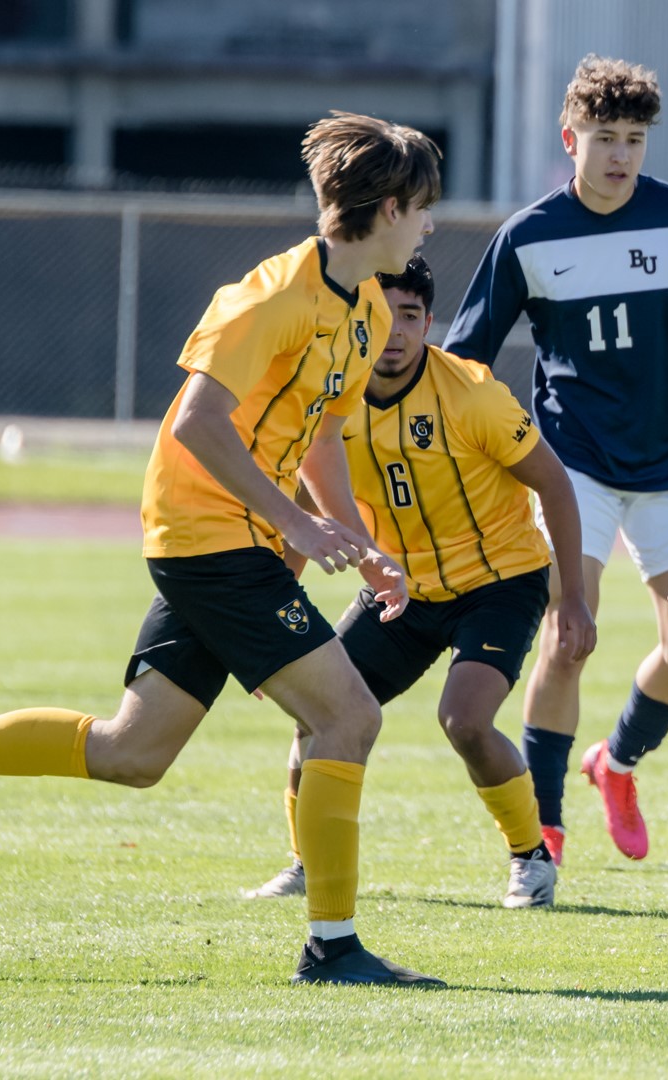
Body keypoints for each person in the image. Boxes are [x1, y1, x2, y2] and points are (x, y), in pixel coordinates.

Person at [0, 112, 450, 987]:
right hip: (206, 536)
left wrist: (360, 541)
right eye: (424, 208)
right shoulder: (271, 296)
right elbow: (198, 422)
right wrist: (300, 526)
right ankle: (333, 946)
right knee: (348, 715)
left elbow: (320, 442)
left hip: (242, 539)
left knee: (134, 753)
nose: (430, 225)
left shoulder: (370, 309)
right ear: (387, 209)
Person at [443, 55, 668, 865]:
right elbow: (463, 362)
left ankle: (614, 764)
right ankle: (545, 824)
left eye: (635, 139)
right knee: (567, 634)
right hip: (572, 466)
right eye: (604, 137)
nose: (621, 154)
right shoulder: (529, 235)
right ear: (570, 138)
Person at [243, 255, 596, 908]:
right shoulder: (330, 398)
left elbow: (553, 482)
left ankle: (531, 858)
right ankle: (306, 864)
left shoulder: (473, 394)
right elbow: (300, 499)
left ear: (429, 322)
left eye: (411, 316)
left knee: (464, 720)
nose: (397, 331)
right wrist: (278, 620)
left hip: (501, 582)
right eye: (384, 314)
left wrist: (570, 597)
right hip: (399, 590)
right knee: (318, 708)